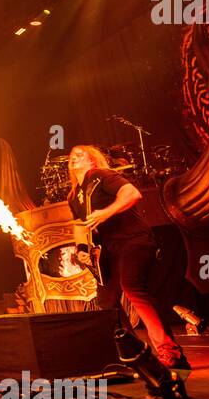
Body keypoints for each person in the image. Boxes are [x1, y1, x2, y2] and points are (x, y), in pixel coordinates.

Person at [66, 144, 189, 370]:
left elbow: (132, 193)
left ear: (93, 160)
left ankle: (170, 351)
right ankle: (135, 353)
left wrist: (106, 212)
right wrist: (81, 249)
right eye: (72, 156)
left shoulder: (103, 175)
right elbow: (79, 226)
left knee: (131, 286)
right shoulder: (74, 195)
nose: (74, 157)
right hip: (108, 250)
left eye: (80, 154)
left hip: (134, 240)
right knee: (106, 301)